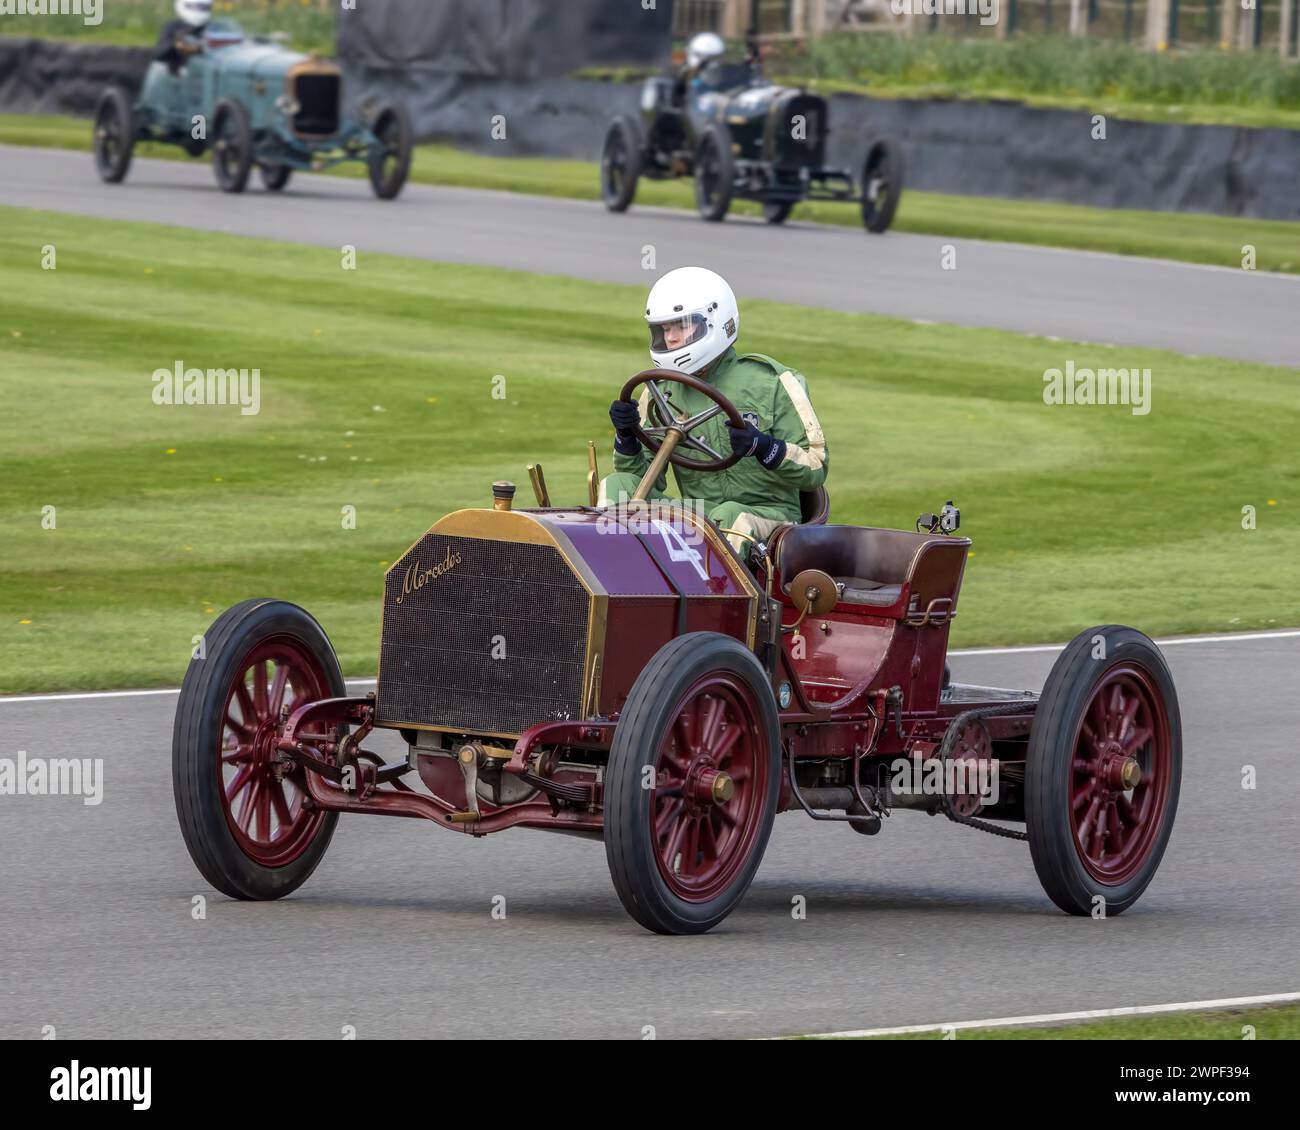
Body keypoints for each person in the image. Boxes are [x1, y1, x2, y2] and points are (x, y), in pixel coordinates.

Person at [600, 267, 829, 553]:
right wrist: (627, 438)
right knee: (617, 484)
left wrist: (764, 447)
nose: (670, 338)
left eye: (681, 326)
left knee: (733, 516)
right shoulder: (659, 391)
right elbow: (645, 478)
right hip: (697, 510)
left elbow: (816, 467)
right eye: (664, 329)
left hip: (768, 514)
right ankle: (613, 574)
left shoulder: (774, 382)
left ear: (716, 321)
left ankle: (712, 597)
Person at [154, 0, 213, 76]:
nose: (197, 10)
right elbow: (158, 55)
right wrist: (176, 44)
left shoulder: (213, 27)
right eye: (194, 7)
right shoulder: (173, 27)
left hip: (207, 75)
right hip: (178, 77)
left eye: (202, 7)